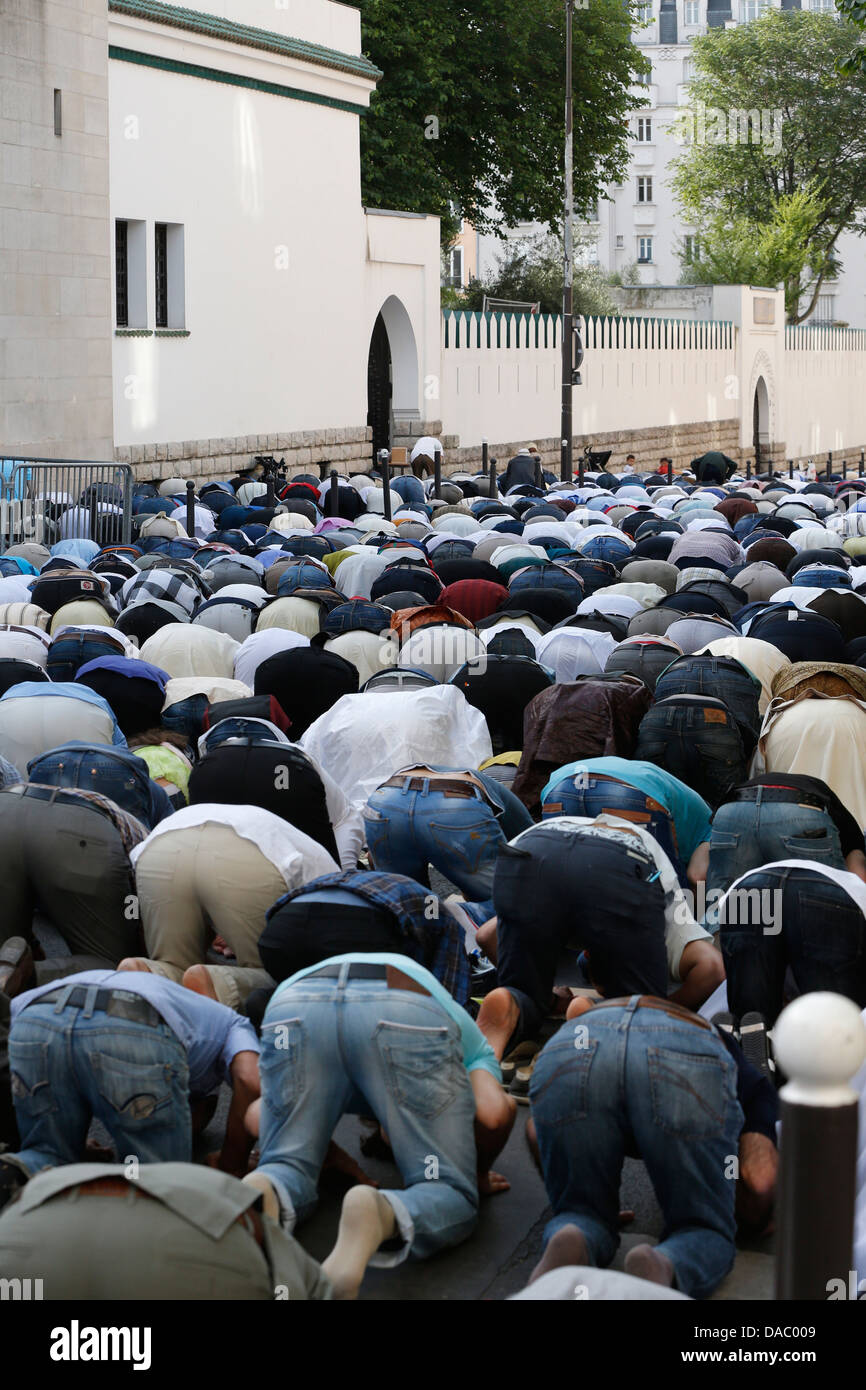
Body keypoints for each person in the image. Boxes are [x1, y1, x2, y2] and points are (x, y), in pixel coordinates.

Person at [244, 952, 515, 1297]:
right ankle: (382, 1212)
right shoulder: (476, 1048)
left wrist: (300, 1138)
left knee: (283, 1163)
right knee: (445, 1189)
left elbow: (256, 1115)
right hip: (404, 1009)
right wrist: (474, 1176)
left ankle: (260, 1191)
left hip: (294, 1001)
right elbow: (495, 1113)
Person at [526, 993, 778, 1298]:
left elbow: (536, 1130)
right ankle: (665, 1263)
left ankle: (576, 1233)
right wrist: (751, 1210)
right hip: (681, 1050)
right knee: (702, 1229)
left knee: (580, 1214)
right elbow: (760, 1180)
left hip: (574, 1044)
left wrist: (586, 1189)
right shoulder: (754, 1085)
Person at [0, 969, 261, 1205]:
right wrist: (232, 1165)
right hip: (134, 1024)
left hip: (36, 1016)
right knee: (154, 1179)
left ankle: (23, 1168)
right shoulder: (234, 1024)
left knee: (46, 1156)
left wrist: (74, 1143)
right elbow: (250, 1079)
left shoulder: (186, 1009)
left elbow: (77, 1046)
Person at [474, 816, 723, 1056]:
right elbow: (712, 967)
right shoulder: (662, 916)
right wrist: (663, 1010)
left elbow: (486, 936)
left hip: (529, 850)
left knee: (524, 993)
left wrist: (548, 1001)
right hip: (616, 860)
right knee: (638, 1010)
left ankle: (513, 1003)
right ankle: (602, 1013)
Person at [0, 1162, 332, 1301]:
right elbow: (316, 1289)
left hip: (24, 1238)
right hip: (193, 1253)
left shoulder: (46, 1182)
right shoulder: (246, 1213)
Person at [121, 803, 339, 1008]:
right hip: (248, 853)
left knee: (173, 966)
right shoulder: (334, 881)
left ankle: (149, 973)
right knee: (269, 972)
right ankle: (218, 985)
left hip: (162, 846)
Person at [0, 781, 148, 978]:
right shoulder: (146, 841)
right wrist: (136, 944)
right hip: (78, 833)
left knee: (4, 951)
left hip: (6, 804)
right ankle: (30, 975)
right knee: (113, 964)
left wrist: (29, 944)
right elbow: (136, 898)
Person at [362, 763, 532, 913]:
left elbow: (371, 856)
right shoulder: (507, 801)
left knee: (408, 904)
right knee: (501, 905)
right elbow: (531, 846)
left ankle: (427, 934)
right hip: (454, 805)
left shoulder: (479, 779)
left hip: (386, 800)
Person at [540, 755, 712, 887]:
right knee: (663, 886)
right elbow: (698, 876)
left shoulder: (693, 808)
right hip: (630, 790)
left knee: (564, 873)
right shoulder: (711, 827)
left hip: (560, 784)